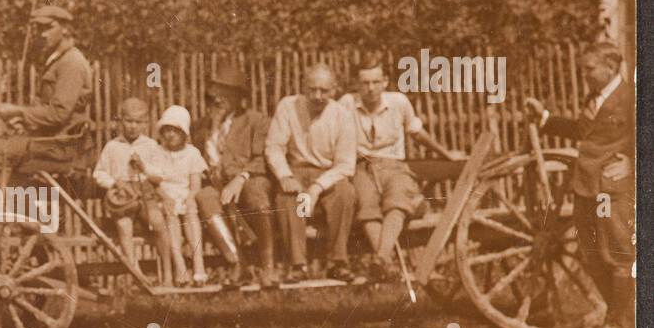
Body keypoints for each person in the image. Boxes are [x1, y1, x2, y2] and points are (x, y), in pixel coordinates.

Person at [525, 41, 634, 328]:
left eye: (589, 69)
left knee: (618, 254)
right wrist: (545, 118)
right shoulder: (595, 97)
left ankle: (616, 323)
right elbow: (582, 132)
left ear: (610, 67)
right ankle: (623, 316)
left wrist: (633, 161)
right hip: (586, 185)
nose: (583, 73)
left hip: (611, 188)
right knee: (589, 255)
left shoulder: (630, 98)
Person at [340, 53, 459, 281]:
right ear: (357, 84)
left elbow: (416, 132)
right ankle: (385, 262)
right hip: (361, 167)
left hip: (394, 165)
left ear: (385, 82)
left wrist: (446, 154)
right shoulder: (346, 103)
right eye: (365, 83)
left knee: (397, 197)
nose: (371, 88)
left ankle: (382, 259)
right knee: (366, 203)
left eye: (376, 82)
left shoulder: (398, 102)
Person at [0, 5, 93, 186]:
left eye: (48, 27)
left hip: (60, 144)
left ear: (66, 29)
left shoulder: (71, 63)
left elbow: (59, 114)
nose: (42, 34)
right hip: (47, 138)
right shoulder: (57, 59)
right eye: (39, 29)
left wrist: (18, 111)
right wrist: (22, 119)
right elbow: (46, 107)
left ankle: (9, 208)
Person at [265, 64, 358, 283]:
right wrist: (284, 175)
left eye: (324, 90)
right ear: (303, 88)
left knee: (345, 194)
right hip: (295, 169)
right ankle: (298, 265)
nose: (317, 96)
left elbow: (346, 164)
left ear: (334, 90)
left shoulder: (342, 115)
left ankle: (338, 262)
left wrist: (317, 187)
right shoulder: (288, 106)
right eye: (312, 89)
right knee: (286, 196)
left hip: (328, 173)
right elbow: (274, 146)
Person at [194, 63, 280, 289]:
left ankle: (268, 266)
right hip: (216, 184)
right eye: (216, 92)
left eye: (227, 92)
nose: (219, 98)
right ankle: (237, 263)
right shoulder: (202, 125)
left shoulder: (255, 121)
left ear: (239, 96)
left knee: (257, 193)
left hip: (250, 177)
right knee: (204, 197)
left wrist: (240, 179)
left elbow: (263, 157)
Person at [92, 97, 173, 284]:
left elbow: (160, 174)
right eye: (129, 121)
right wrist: (114, 183)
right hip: (122, 196)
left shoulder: (151, 145)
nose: (133, 126)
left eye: (138, 122)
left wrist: (144, 167)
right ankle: (137, 274)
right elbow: (99, 173)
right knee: (123, 226)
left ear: (146, 123)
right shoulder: (112, 146)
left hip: (145, 192)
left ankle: (168, 273)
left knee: (158, 222)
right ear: (120, 121)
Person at [148, 105, 209, 286]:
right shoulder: (157, 152)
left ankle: (199, 266)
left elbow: (195, 185)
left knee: (191, 212)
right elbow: (154, 183)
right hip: (165, 196)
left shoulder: (192, 154)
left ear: (184, 133)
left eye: (175, 131)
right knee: (171, 215)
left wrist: (190, 197)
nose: (170, 135)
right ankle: (180, 266)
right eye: (167, 130)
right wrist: (165, 197)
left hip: (185, 195)